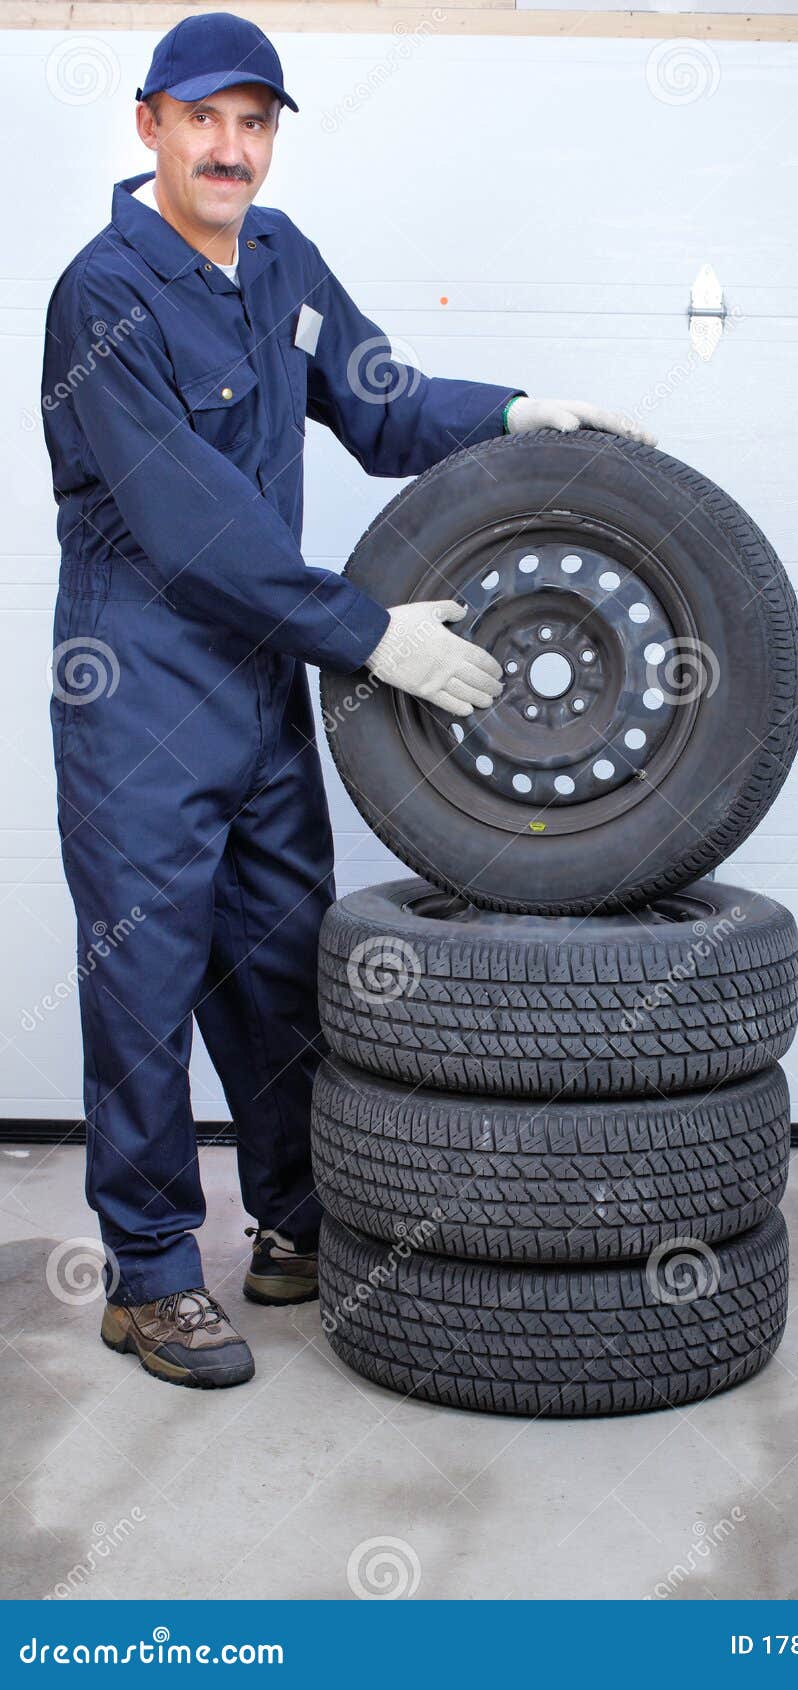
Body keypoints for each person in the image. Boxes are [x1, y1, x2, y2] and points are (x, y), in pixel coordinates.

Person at [40, 11, 655, 1390]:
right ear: (149, 126)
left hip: (260, 693)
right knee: (143, 982)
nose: (231, 146)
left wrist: (509, 418)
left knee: (276, 967)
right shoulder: (105, 292)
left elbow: (381, 401)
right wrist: (370, 634)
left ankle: (295, 1228)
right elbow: (195, 526)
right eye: (204, 118)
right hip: (140, 690)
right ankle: (146, 1277)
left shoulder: (281, 263)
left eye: (255, 121)